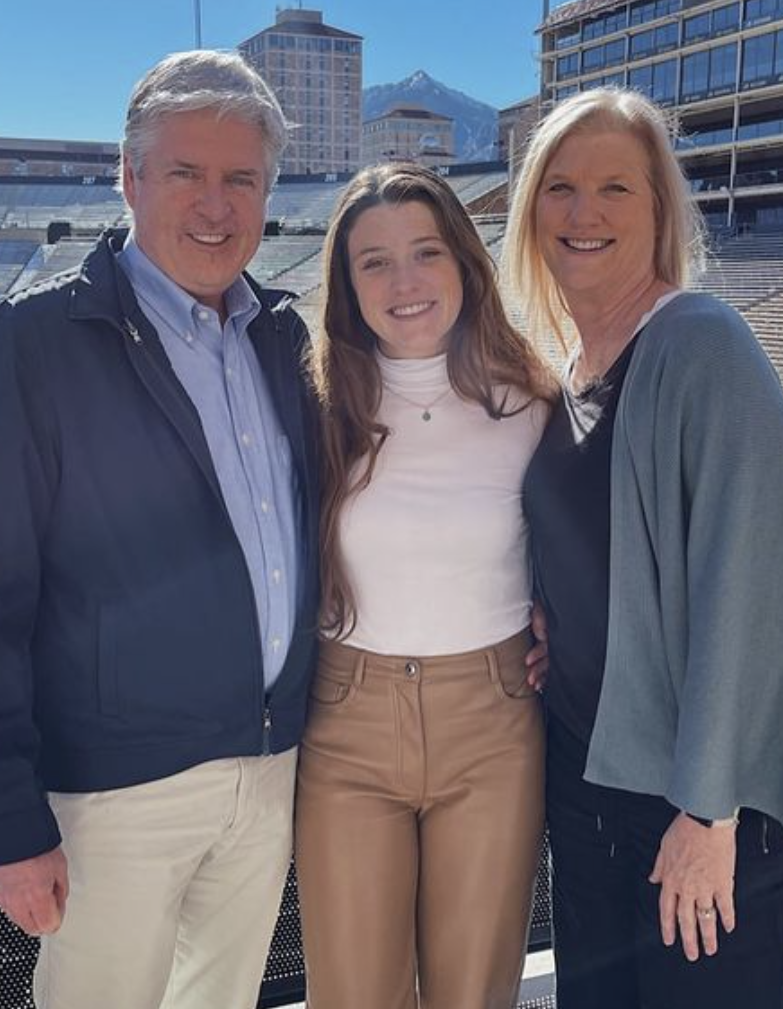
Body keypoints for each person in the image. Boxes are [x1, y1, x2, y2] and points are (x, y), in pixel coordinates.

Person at [0, 50, 319, 1009]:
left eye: (242, 180)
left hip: (268, 772)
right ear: (130, 178)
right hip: (113, 796)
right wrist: (8, 825)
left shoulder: (285, 337)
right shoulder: (26, 345)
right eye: (186, 173)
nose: (215, 206)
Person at [503, 87, 783, 1009]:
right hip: (591, 789)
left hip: (699, 809)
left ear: (659, 208)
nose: (583, 213)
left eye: (615, 187)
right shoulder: (570, 367)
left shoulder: (701, 345)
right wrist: (555, 616)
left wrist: (707, 811)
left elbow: (751, 596)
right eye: (560, 187)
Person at [294, 163, 556, 1009]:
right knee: (353, 994)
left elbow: (584, 555)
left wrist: (558, 623)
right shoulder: (313, 406)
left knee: (473, 994)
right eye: (373, 261)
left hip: (493, 726)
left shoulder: (534, 405)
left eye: (424, 252)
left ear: (462, 264)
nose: (403, 282)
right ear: (347, 282)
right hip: (346, 730)